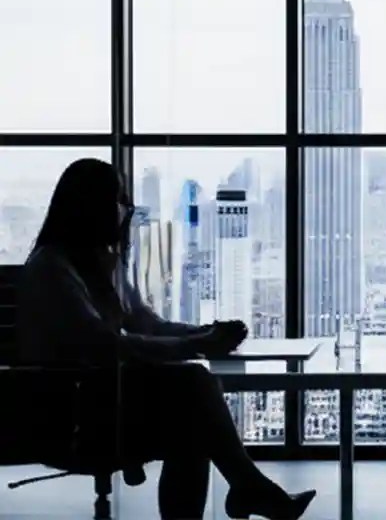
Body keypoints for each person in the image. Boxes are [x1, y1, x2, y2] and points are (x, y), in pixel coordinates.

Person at [16, 158, 315, 520]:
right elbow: (104, 345)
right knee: (193, 387)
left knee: (191, 419)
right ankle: (248, 487)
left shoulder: (100, 265)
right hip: (67, 416)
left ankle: (248, 487)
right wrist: (196, 345)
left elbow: (148, 324)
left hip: (103, 402)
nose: (126, 210)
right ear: (92, 207)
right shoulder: (52, 269)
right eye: (120, 199)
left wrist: (204, 334)